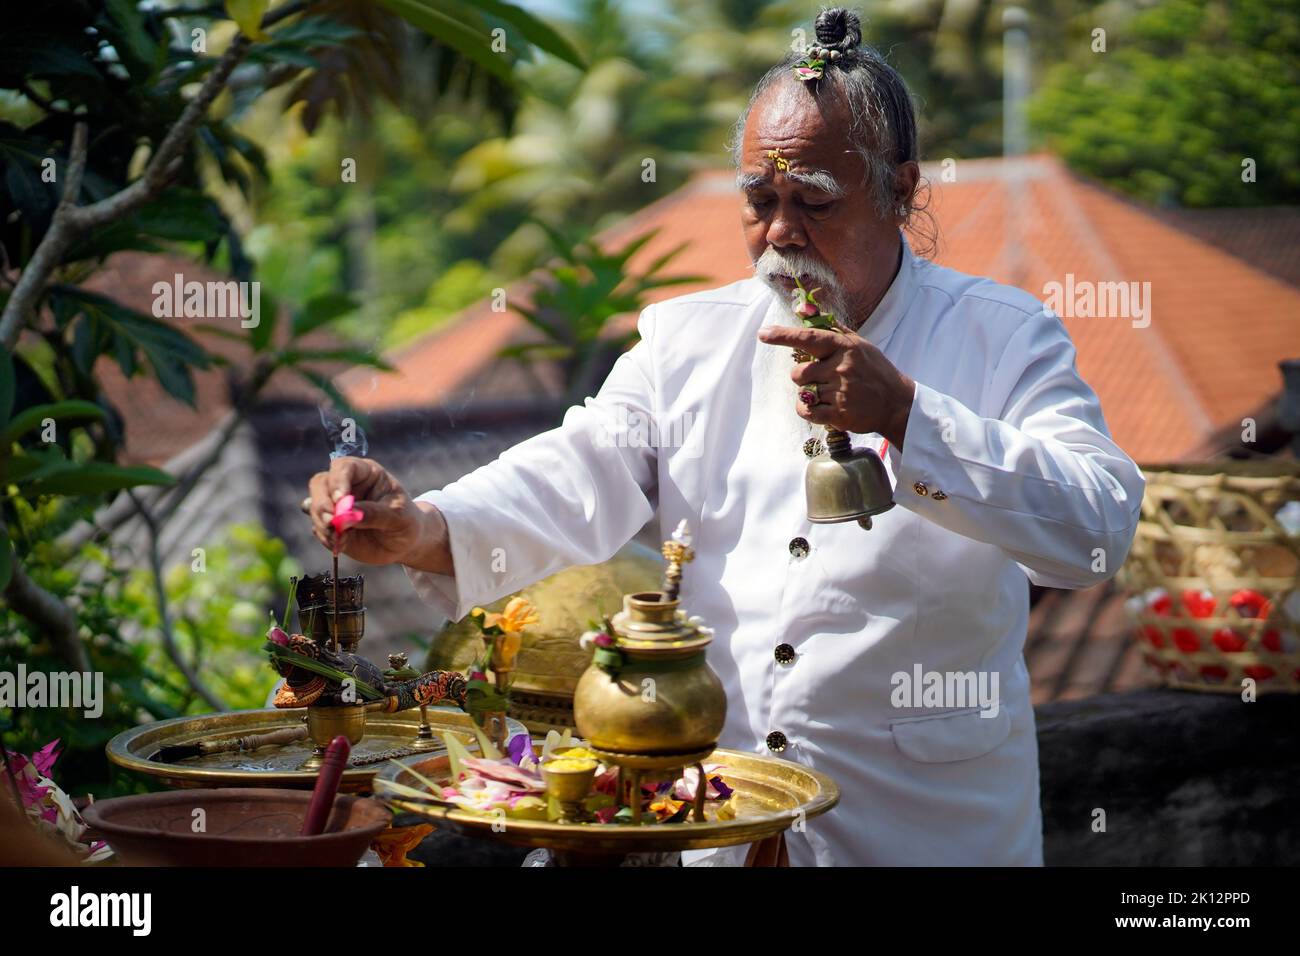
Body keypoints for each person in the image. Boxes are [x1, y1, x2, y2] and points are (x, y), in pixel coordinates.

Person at [305, 8, 1145, 866]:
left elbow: (1097, 532)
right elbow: (575, 469)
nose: (781, 233)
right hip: (723, 822)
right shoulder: (688, 339)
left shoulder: (1002, 335)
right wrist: (425, 526)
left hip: (928, 832)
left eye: (813, 200)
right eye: (759, 201)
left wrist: (908, 415)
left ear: (901, 188)